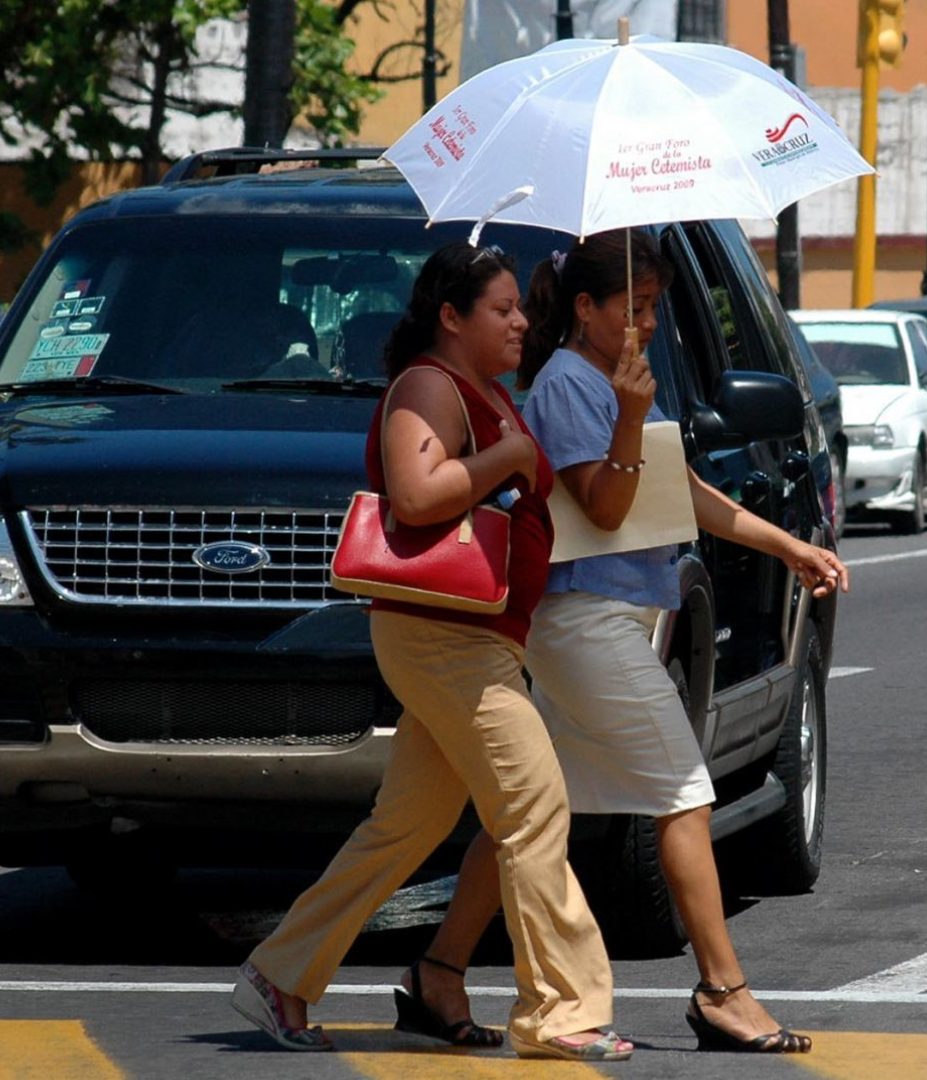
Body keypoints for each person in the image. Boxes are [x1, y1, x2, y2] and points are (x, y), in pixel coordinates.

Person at [405, 230, 847, 1055]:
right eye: (629, 309)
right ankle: (722, 989)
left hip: (609, 623)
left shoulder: (614, 379)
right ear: (584, 308)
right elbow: (604, 507)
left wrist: (787, 546)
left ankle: (439, 970)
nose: (643, 324)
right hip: (582, 624)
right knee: (684, 791)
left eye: (652, 310)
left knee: (537, 815)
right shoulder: (570, 386)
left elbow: (681, 493)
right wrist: (633, 418)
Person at [231, 241, 633, 1062]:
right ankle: (562, 1009)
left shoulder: (481, 389)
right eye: (502, 308)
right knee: (533, 804)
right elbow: (415, 496)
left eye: (522, 306)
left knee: (405, 825)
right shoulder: (429, 384)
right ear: (451, 317)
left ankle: (280, 974)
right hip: (446, 638)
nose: (522, 320)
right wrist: (510, 457)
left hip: (472, 637)